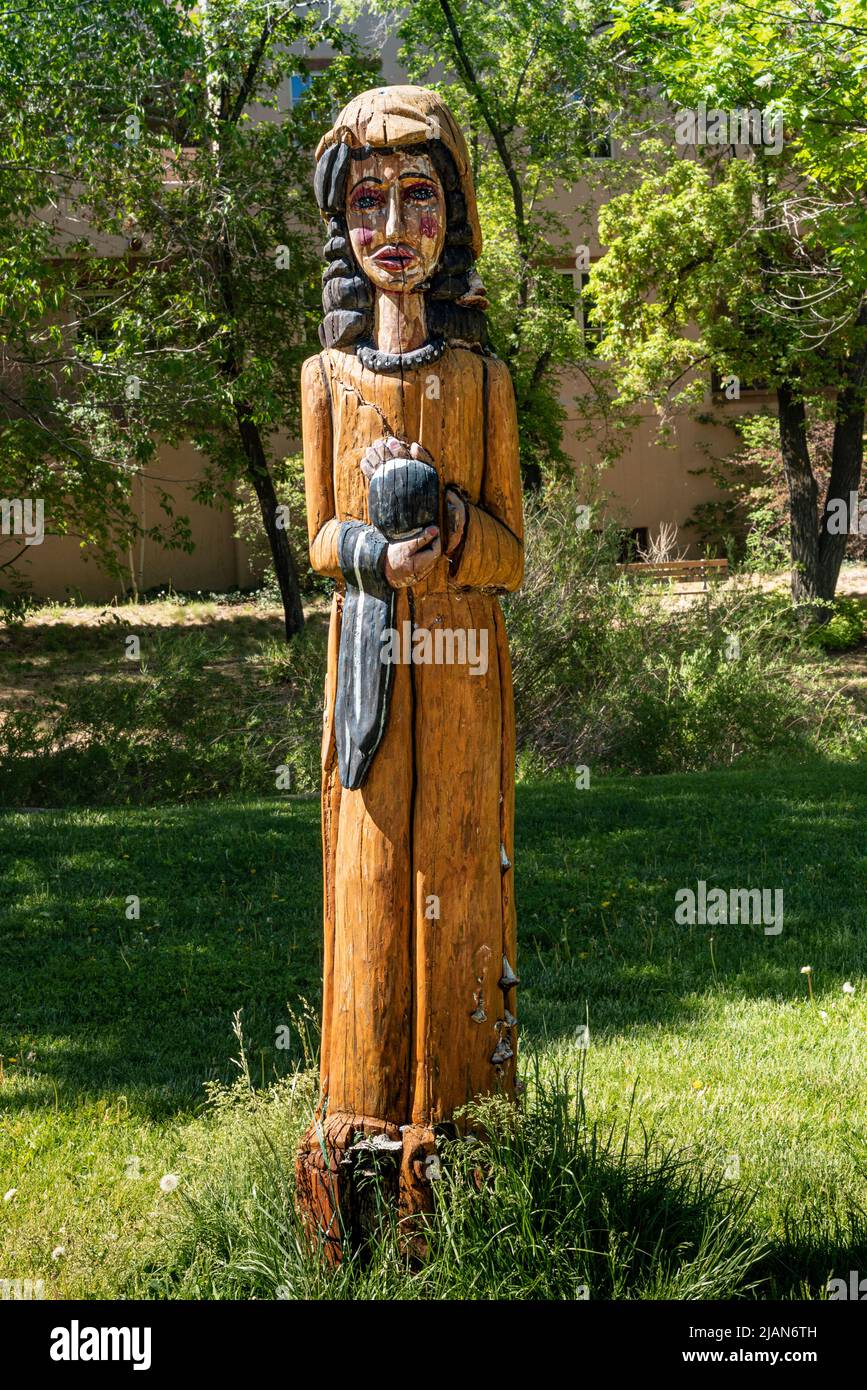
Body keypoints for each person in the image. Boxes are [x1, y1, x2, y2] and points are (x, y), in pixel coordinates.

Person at [296, 85, 524, 1255]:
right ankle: (364, 1124)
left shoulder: (482, 384)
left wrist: (454, 535)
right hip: (369, 673)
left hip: (466, 675)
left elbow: (515, 552)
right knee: (372, 891)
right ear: (342, 226)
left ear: (456, 216)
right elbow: (320, 534)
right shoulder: (325, 382)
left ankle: (469, 1122)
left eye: (419, 195)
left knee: (460, 880)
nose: (395, 223)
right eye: (370, 199)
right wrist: (377, 553)